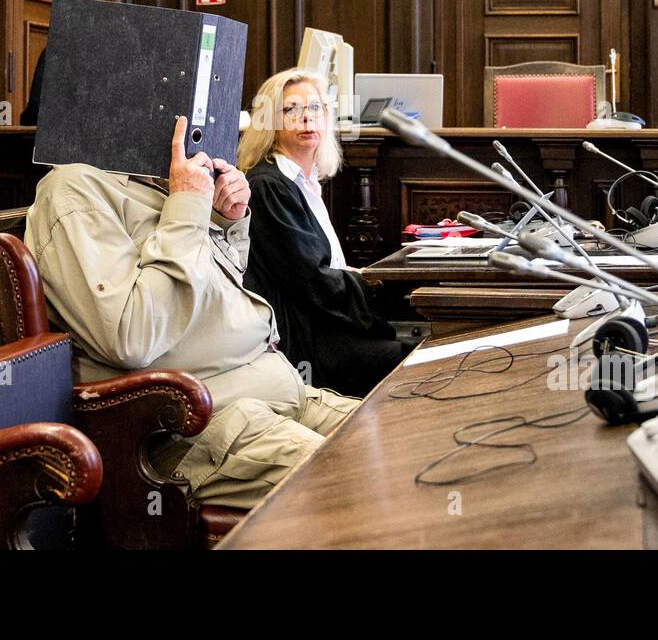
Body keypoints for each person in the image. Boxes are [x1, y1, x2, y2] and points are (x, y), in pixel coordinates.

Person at [25, 115, 359, 510]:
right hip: (201, 424)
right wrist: (187, 205)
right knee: (358, 479)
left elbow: (212, 296)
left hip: (280, 391)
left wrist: (225, 221)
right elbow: (131, 335)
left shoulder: (151, 179)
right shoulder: (74, 190)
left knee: (415, 440)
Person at [237, 70, 406, 396]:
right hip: (303, 339)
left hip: (325, 322)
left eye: (315, 108)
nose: (305, 119)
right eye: (291, 110)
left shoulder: (304, 181)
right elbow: (311, 280)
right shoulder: (268, 185)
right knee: (410, 357)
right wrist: (366, 282)